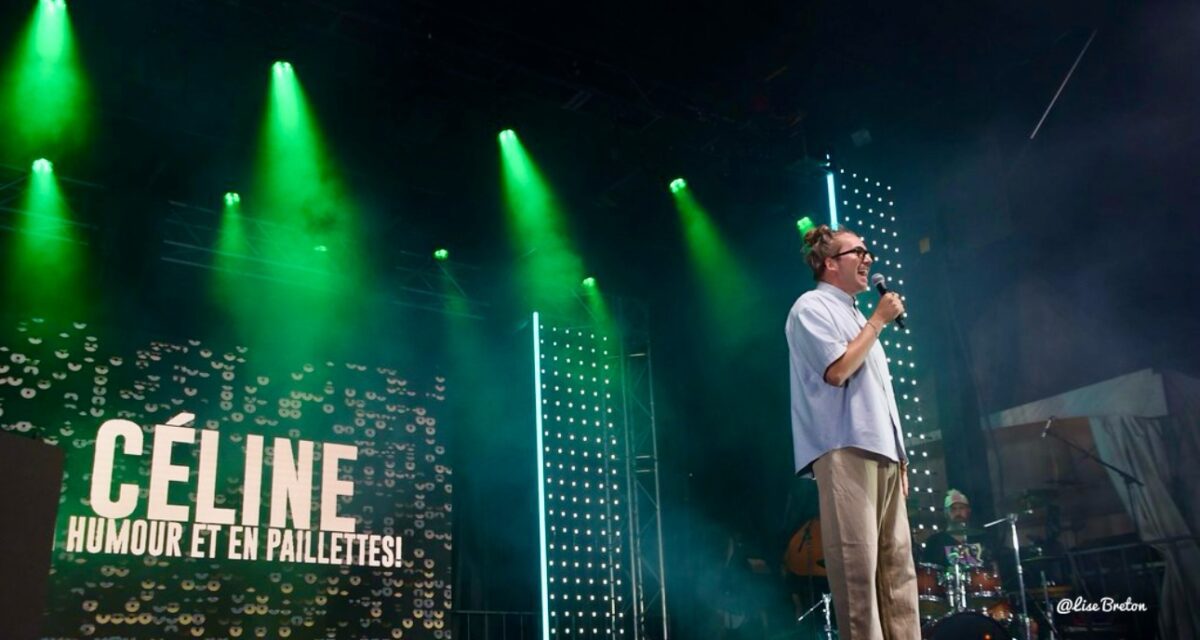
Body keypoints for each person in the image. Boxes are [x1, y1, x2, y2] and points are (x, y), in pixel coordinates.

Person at [785, 224, 919, 640]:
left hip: (884, 454)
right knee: (857, 574)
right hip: (844, 450)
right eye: (857, 252)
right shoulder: (810, 308)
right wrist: (878, 322)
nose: (868, 259)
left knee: (899, 573)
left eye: (867, 252)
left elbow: (879, 396)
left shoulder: (859, 316)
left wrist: (902, 456)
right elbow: (838, 371)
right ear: (829, 263)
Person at [921, 489, 994, 568]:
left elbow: (991, 566)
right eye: (953, 509)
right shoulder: (935, 541)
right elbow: (929, 572)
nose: (958, 512)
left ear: (968, 511)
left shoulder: (980, 538)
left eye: (961, 508)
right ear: (946, 512)